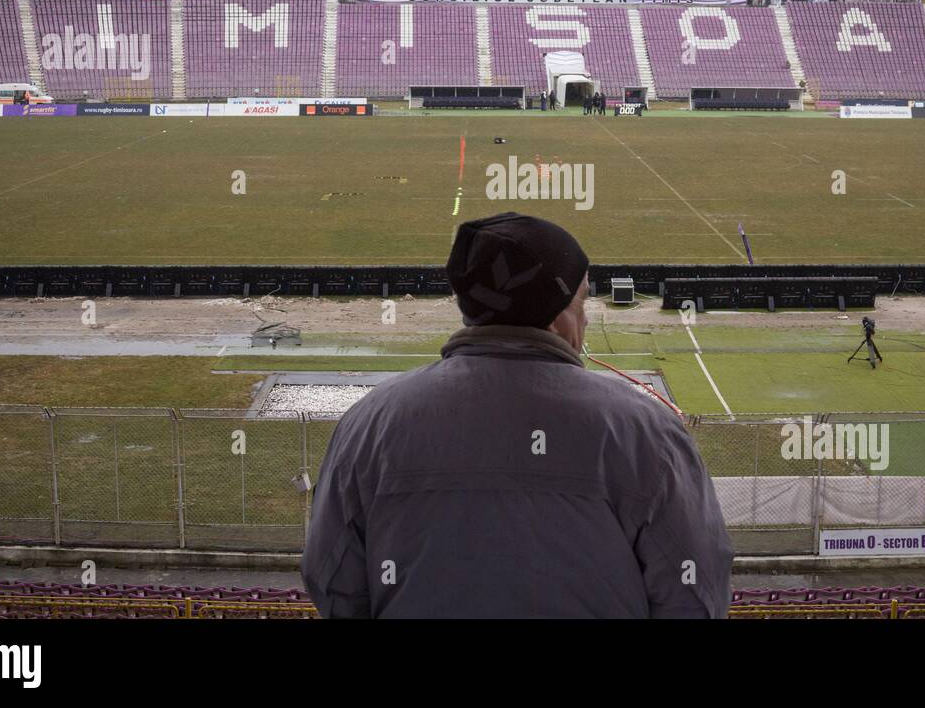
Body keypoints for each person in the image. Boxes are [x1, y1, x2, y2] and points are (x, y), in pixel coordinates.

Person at [302, 213, 734, 618]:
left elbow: (332, 579)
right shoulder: (646, 431)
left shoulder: (369, 424)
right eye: (581, 301)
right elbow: (695, 593)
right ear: (554, 317)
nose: (584, 316)